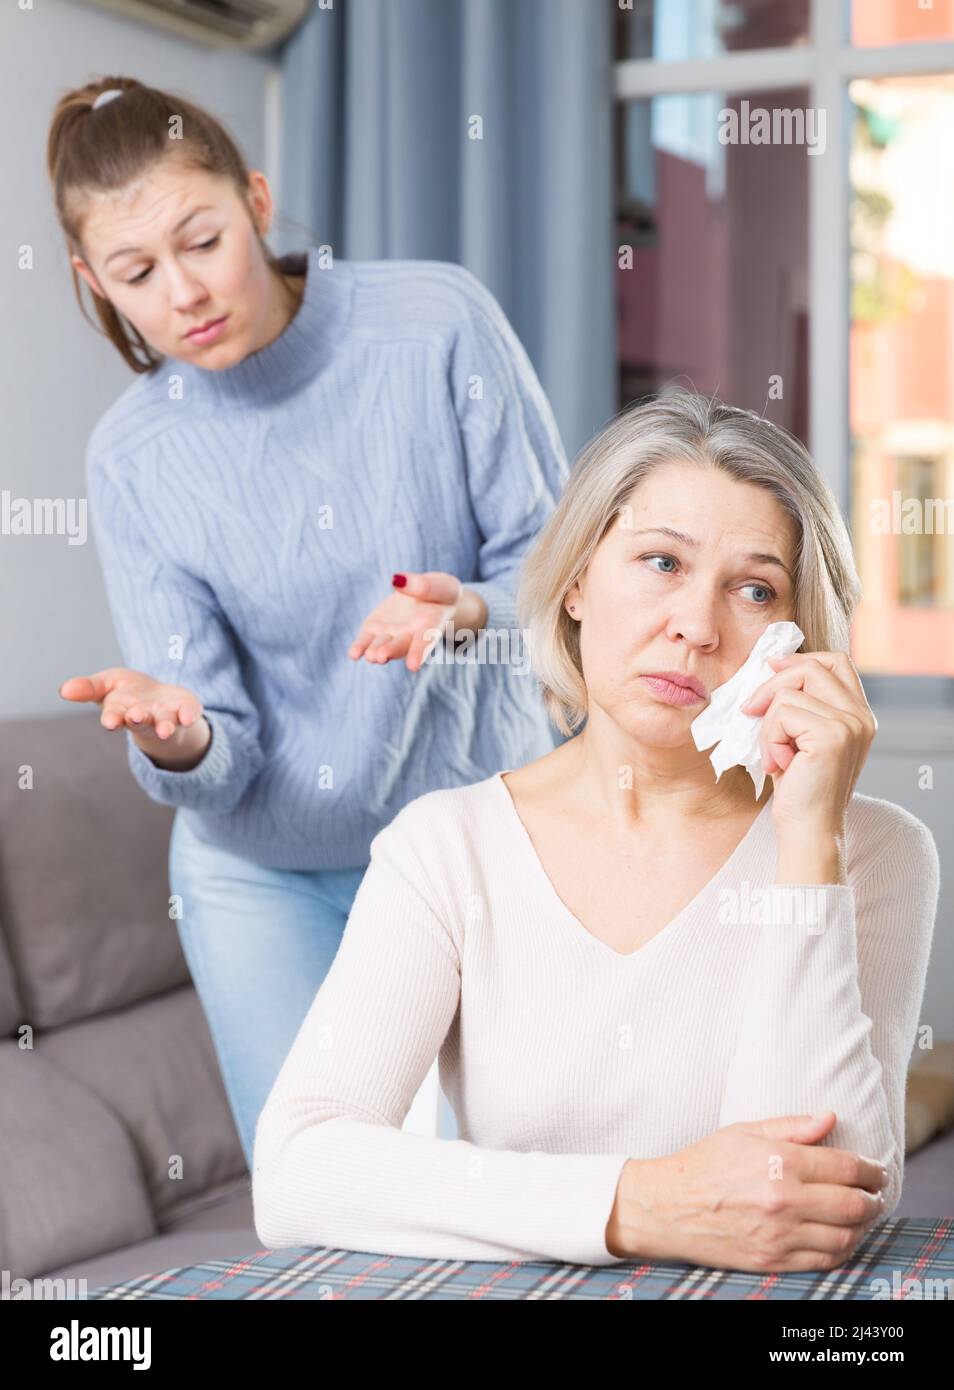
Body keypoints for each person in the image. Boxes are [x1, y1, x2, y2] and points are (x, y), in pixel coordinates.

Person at [252, 390, 939, 1273]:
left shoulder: (873, 852)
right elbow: (297, 1168)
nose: (696, 625)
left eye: (755, 588)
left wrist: (810, 846)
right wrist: (639, 1203)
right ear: (577, 580)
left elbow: (818, 1207)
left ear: (794, 638)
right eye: (661, 562)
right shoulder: (445, 848)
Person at [47, 76, 568, 1167]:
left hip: (470, 840)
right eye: (139, 273)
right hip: (260, 875)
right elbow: (217, 747)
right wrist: (175, 731)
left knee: (516, 1191)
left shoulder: (434, 323)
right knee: (321, 1209)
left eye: (203, 240)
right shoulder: (135, 458)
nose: (184, 291)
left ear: (258, 199)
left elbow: (565, 578)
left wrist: (466, 610)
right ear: (97, 283)